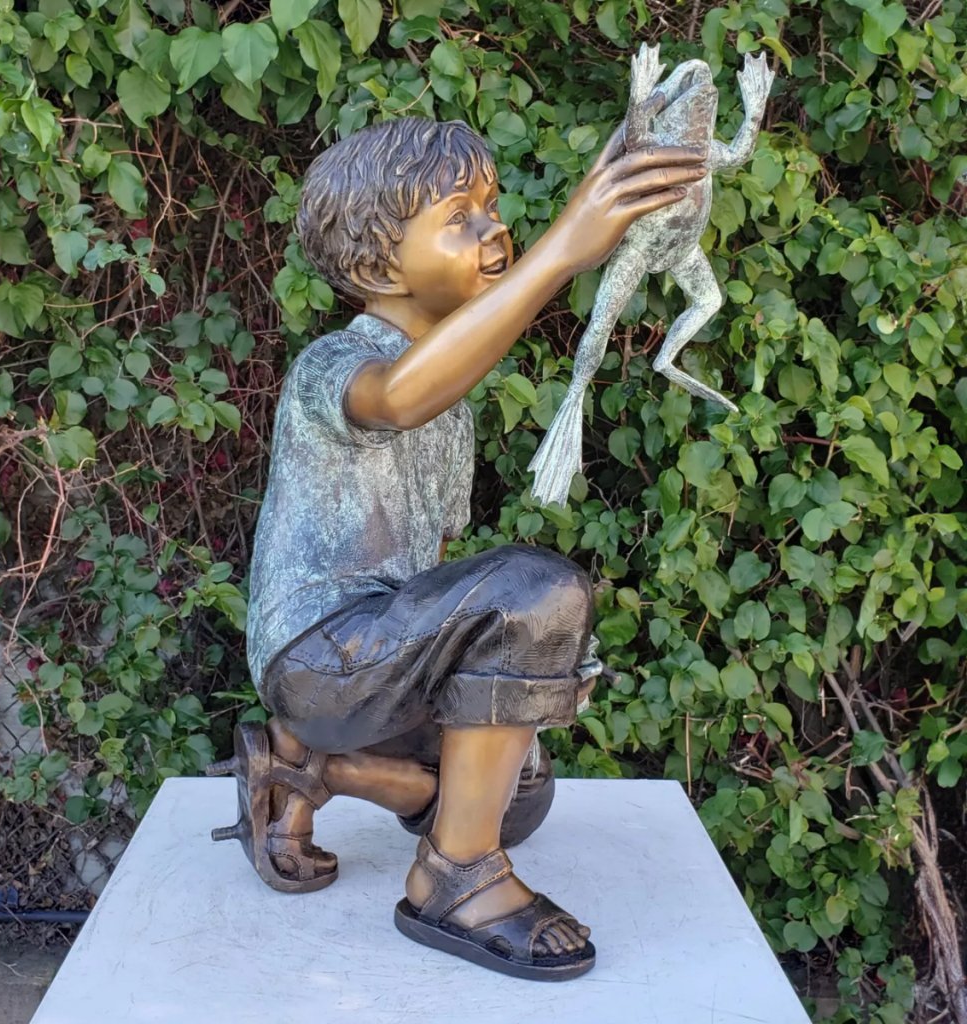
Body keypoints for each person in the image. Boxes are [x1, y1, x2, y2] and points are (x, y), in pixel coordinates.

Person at [217, 116, 706, 980]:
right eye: (461, 216)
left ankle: (307, 767)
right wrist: (561, 252)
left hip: (387, 662)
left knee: (516, 791)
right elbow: (398, 396)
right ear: (375, 267)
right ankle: (455, 881)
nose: (496, 231)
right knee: (536, 585)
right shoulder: (336, 365)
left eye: (493, 210)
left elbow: (438, 569)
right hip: (319, 659)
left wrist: (523, 679)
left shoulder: (459, 406)